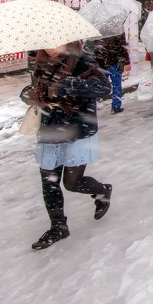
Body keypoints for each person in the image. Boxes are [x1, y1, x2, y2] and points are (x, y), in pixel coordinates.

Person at [21, 42, 112, 250]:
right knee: (49, 182)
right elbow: (33, 88)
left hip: (77, 129)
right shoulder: (40, 61)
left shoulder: (83, 61)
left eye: (56, 43)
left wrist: (65, 86)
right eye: (47, 42)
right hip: (50, 128)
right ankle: (58, 226)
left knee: (72, 182)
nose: (51, 47)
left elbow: (104, 88)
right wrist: (29, 94)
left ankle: (102, 191)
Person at [91, 34, 131, 114]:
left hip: (101, 64)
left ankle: (94, 105)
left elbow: (92, 50)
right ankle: (116, 106)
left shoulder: (95, 33)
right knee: (116, 85)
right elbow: (122, 47)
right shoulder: (116, 32)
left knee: (99, 85)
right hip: (113, 63)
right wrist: (126, 60)